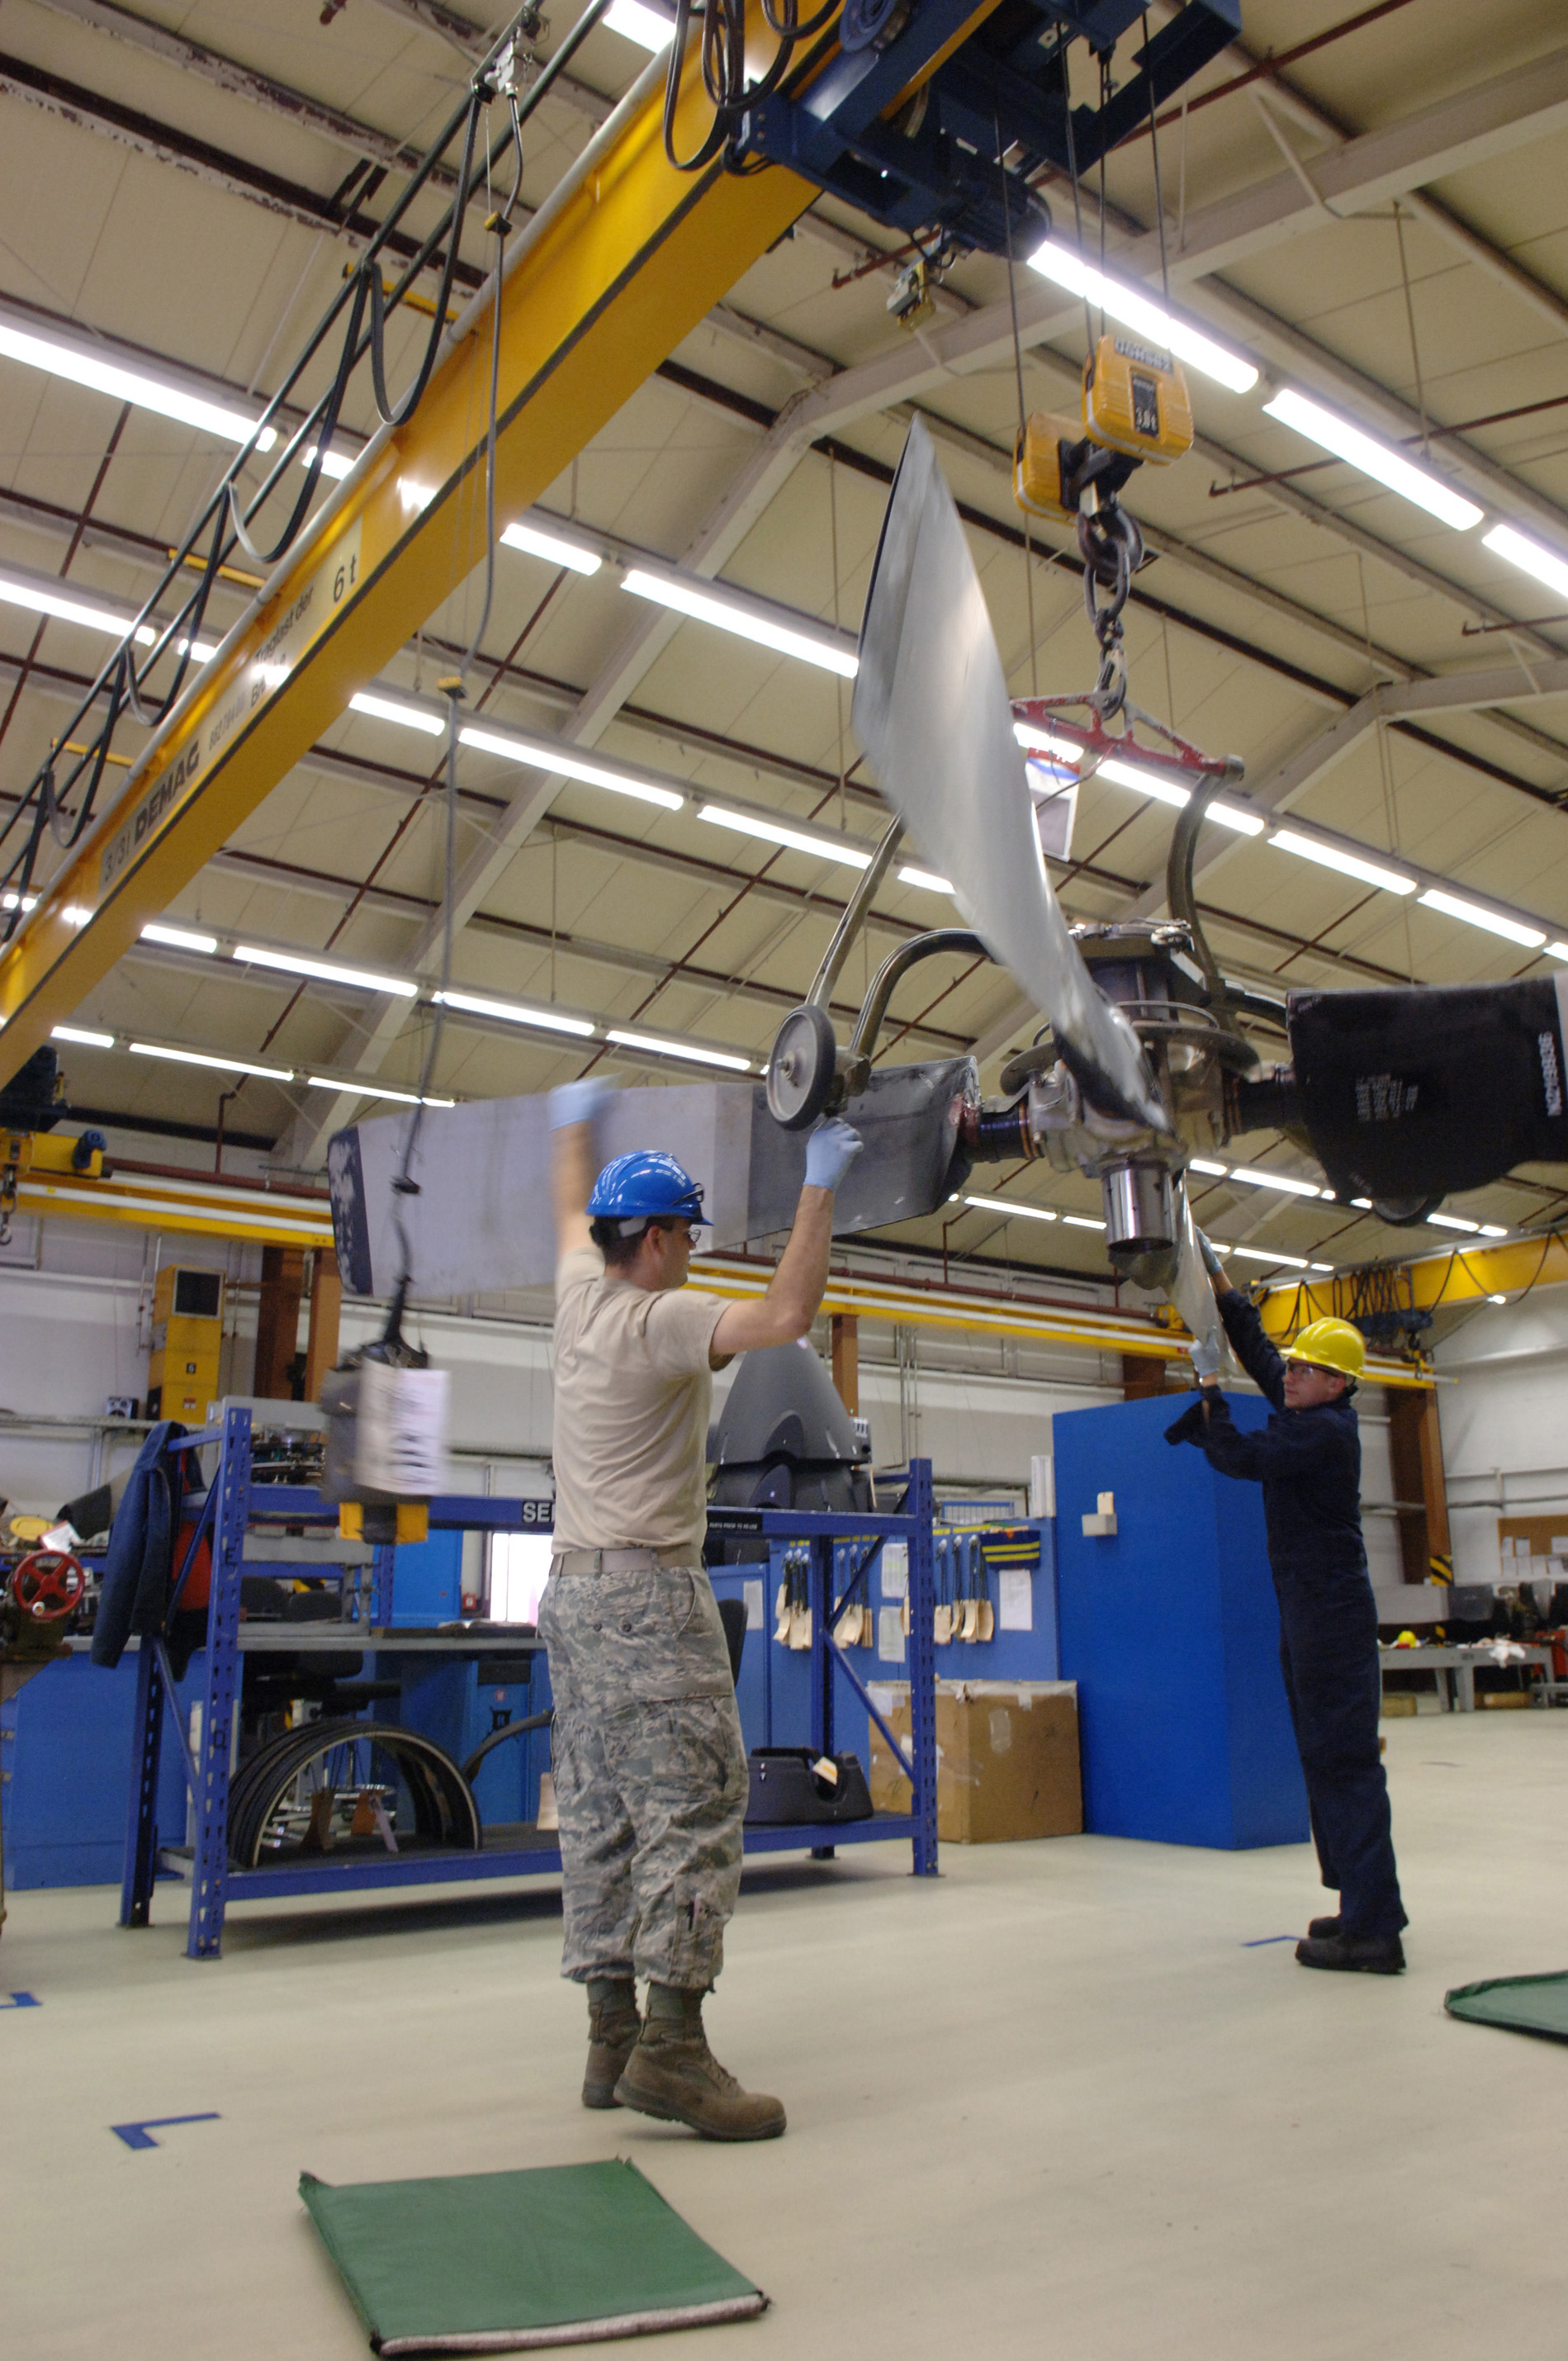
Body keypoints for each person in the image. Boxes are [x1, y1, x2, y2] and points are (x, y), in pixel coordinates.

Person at [540, 1079, 864, 2137]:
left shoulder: (578, 1296)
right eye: (688, 1232)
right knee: (697, 1802)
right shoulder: (661, 1318)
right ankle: (673, 2047)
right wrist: (819, 1187)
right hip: (647, 1597)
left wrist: (570, 1125)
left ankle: (609, 2035)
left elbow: (566, 1209)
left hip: (571, 1600)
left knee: (598, 1812)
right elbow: (785, 1317)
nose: (692, 1250)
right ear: (667, 1238)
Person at [1165, 1241, 1407, 1974]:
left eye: (1305, 1368)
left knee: (1344, 1760)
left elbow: (1241, 1457)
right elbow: (1265, 1356)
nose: (1290, 1374)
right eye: (1296, 1365)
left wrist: (1210, 1390)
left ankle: (1373, 1934)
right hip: (1308, 1609)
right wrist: (1218, 1282)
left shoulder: (1322, 1435)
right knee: (1324, 1757)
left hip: (1328, 1615)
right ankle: (1363, 1906)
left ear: (1336, 1384)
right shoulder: (1310, 1405)